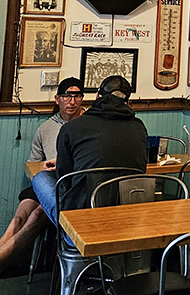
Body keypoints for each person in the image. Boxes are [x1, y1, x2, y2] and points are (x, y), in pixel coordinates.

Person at [0, 77, 84, 284]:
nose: (72, 101)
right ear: (57, 99)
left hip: (69, 186)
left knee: (37, 215)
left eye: (77, 96)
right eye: (67, 96)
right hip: (44, 182)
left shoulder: (88, 124)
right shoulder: (46, 128)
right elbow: (32, 165)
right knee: (18, 219)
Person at [32, 75, 147, 228]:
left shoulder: (72, 128)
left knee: (40, 178)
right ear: (128, 101)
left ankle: (67, 231)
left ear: (97, 96)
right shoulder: (139, 127)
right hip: (129, 214)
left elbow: (64, 179)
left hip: (82, 217)